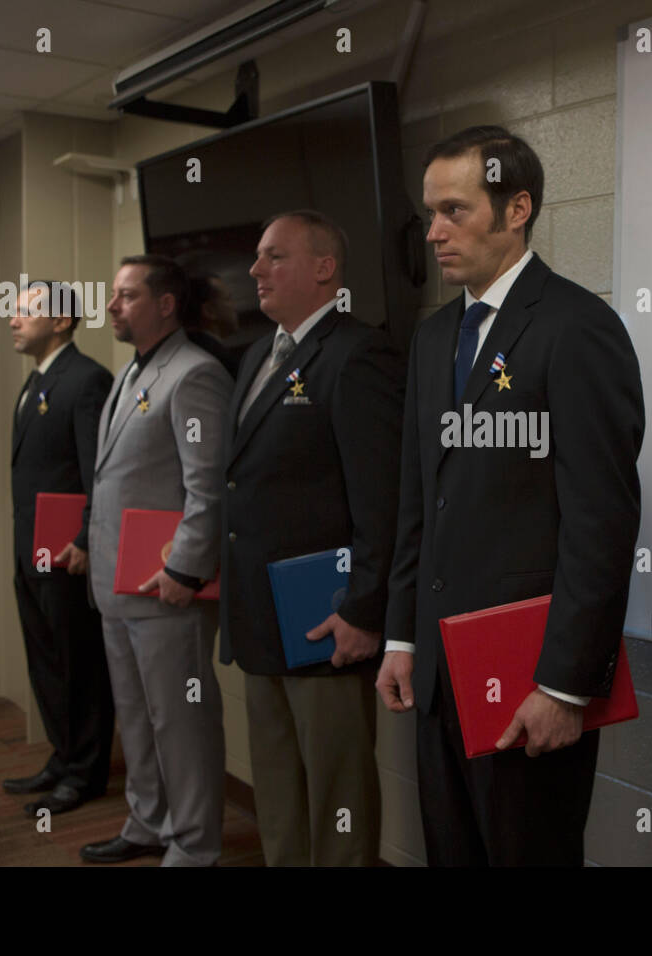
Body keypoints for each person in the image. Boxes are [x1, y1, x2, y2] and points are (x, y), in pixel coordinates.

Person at [377, 126, 645, 866]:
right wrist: (402, 636)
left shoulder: (578, 329)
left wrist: (565, 685)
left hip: (527, 677)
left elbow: (603, 523)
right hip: (438, 672)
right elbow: (417, 502)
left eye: (454, 211)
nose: (434, 233)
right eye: (430, 214)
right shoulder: (435, 338)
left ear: (517, 207)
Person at [220, 211, 403, 866]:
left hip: (325, 621)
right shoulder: (257, 357)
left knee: (336, 794)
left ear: (324, 268)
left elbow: (381, 501)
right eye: (257, 256)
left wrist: (363, 608)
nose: (255, 270)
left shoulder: (358, 354)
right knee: (277, 790)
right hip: (260, 618)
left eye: (274, 256)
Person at [80, 255, 233, 866]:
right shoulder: (129, 374)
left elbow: (209, 488)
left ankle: (194, 844)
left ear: (165, 304)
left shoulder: (194, 375)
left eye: (125, 295)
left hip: (168, 587)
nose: (113, 306)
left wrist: (185, 570)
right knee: (138, 718)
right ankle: (148, 820)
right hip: (116, 584)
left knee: (181, 722)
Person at [4, 280, 114, 816]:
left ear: (63, 321)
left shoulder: (87, 380)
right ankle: (62, 754)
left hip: (68, 552)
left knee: (79, 663)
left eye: (25, 311)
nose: (13, 319)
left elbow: (99, 470)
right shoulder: (37, 382)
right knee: (45, 661)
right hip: (31, 551)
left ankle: (85, 772)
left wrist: (85, 538)